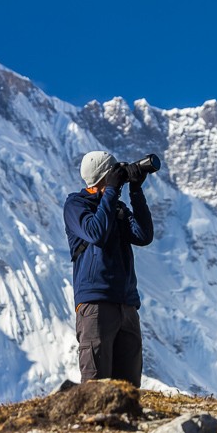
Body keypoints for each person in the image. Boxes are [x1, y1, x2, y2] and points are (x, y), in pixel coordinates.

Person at [63, 151, 154, 387]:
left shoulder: (117, 207)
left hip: (126, 303)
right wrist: (111, 192)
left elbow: (143, 235)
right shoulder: (76, 205)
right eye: (113, 174)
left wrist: (136, 190)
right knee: (96, 385)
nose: (118, 179)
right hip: (96, 304)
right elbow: (96, 233)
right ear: (103, 176)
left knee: (129, 387)